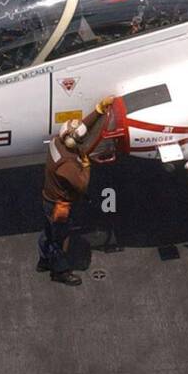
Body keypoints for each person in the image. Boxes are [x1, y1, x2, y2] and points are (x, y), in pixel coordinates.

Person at [38, 96, 115, 284]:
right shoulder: (67, 165)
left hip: (48, 200)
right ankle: (60, 272)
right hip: (60, 206)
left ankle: (43, 261)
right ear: (73, 142)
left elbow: (79, 129)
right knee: (60, 240)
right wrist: (87, 166)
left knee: (48, 233)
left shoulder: (57, 142)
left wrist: (98, 111)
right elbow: (81, 185)